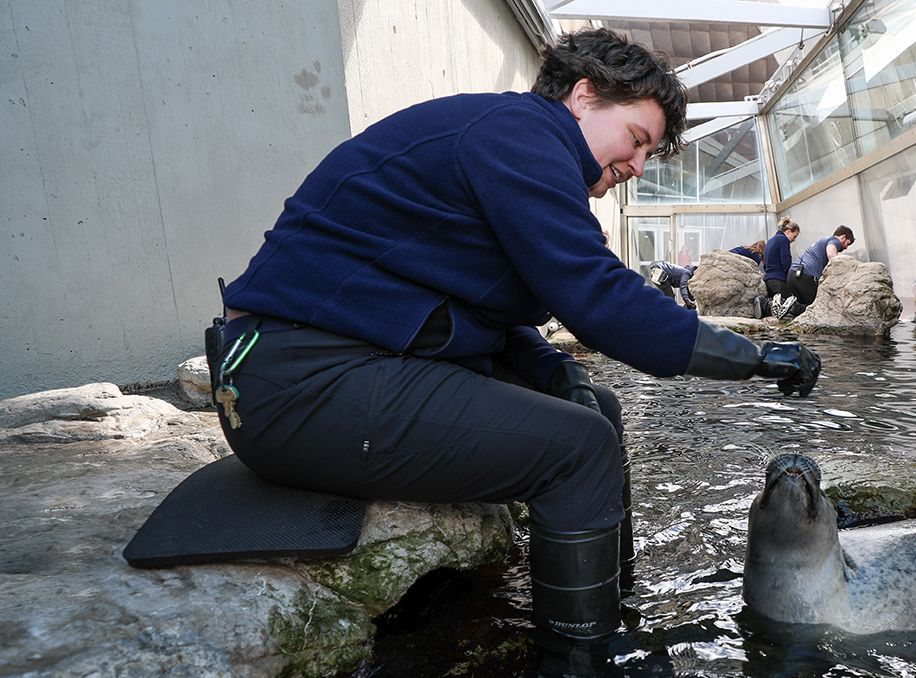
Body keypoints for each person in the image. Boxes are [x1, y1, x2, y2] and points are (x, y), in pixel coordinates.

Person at [209, 28, 820, 678]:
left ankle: (615, 612)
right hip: (293, 383)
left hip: (325, 367)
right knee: (579, 449)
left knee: (599, 410)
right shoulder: (520, 137)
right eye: (637, 138)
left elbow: (489, 318)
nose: (640, 166)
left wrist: (562, 376)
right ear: (583, 96)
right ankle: (578, 658)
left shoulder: (512, 141)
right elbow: (598, 297)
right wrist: (755, 357)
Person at [784, 225, 856, 318]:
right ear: (843, 237)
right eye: (847, 243)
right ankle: (792, 308)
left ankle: (791, 309)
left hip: (792, 275)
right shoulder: (834, 240)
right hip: (805, 277)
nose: (846, 248)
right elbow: (831, 255)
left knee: (805, 310)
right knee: (818, 308)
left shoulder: (822, 242)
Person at [752, 217, 800, 319]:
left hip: (769, 280)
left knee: (777, 305)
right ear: (788, 231)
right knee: (791, 307)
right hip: (779, 280)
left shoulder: (771, 240)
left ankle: (765, 304)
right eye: (794, 236)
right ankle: (763, 304)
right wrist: (791, 278)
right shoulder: (783, 240)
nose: (794, 240)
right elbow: (786, 261)